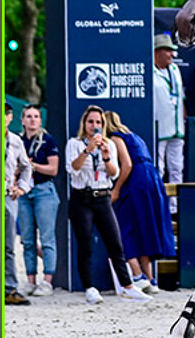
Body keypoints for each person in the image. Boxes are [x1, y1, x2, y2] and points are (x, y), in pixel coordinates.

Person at [65, 105, 152, 305]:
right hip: (82, 197)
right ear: (84, 124)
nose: (94, 126)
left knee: (115, 243)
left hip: (102, 196)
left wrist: (104, 155)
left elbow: (113, 172)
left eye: (98, 122)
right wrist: (88, 150)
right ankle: (89, 288)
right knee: (85, 244)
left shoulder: (109, 144)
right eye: (91, 122)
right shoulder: (74, 143)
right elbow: (73, 168)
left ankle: (128, 286)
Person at [103, 110, 173, 295]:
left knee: (125, 230)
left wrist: (116, 189)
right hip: (152, 179)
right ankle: (151, 279)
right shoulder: (135, 137)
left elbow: (127, 165)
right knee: (144, 230)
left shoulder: (116, 139)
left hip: (136, 182)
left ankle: (137, 275)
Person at [18, 104, 60, 297]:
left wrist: (32, 165)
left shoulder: (47, 141)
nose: (32, 120)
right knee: (27, 239)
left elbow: (53, 169)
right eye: (28, 116)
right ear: (22, 120)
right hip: (24, 191)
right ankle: (30, 280)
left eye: (35, 116)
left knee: (47, 237)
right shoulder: (16, 141)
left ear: (40, 120)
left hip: (44, 190)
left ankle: (48, 280)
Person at [153, 33, 186, 213]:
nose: (172, 55)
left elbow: (181, 96)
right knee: (159, 168)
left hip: (177, 127)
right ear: (157, 52)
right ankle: (159, 205)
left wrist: (183, 119)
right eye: (168, 51)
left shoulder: (175, 70)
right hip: (159, 128)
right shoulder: (150, 72)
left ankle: (174, 209)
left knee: (177, 168)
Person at [4, 104, 33, 306]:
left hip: (7, 196)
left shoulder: (15, 141)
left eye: (6, 113)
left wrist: (22, 187)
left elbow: (26, 166)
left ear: (10, 117)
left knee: (8, 245)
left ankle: (9, 288)